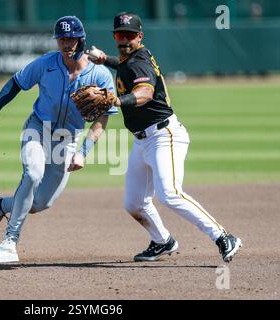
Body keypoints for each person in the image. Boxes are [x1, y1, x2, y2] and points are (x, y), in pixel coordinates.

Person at [87, 12, 242, 262]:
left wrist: (117, 100)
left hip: (164, 136)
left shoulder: (139, 62)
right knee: (134, 203)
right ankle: (163, 241)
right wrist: (105, 59)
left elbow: (145, 93)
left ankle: (223, 236)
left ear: (140, 36)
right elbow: (125, 64)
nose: (124, 39)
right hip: (142, 140)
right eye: (119, 34)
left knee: (169, 193)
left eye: (130, 35)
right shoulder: (134, 57)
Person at [0, 16, 117, 262]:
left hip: (69, 139)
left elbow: (102, 119)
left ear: (81, 39)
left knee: (40, 202)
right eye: (62, 39)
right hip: (38, 129)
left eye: (71, 39)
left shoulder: (100, 75)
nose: (66, 44)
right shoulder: (46, 63)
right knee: (32, 175)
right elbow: (17, 83)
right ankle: (10, 240)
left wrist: (83, 152)